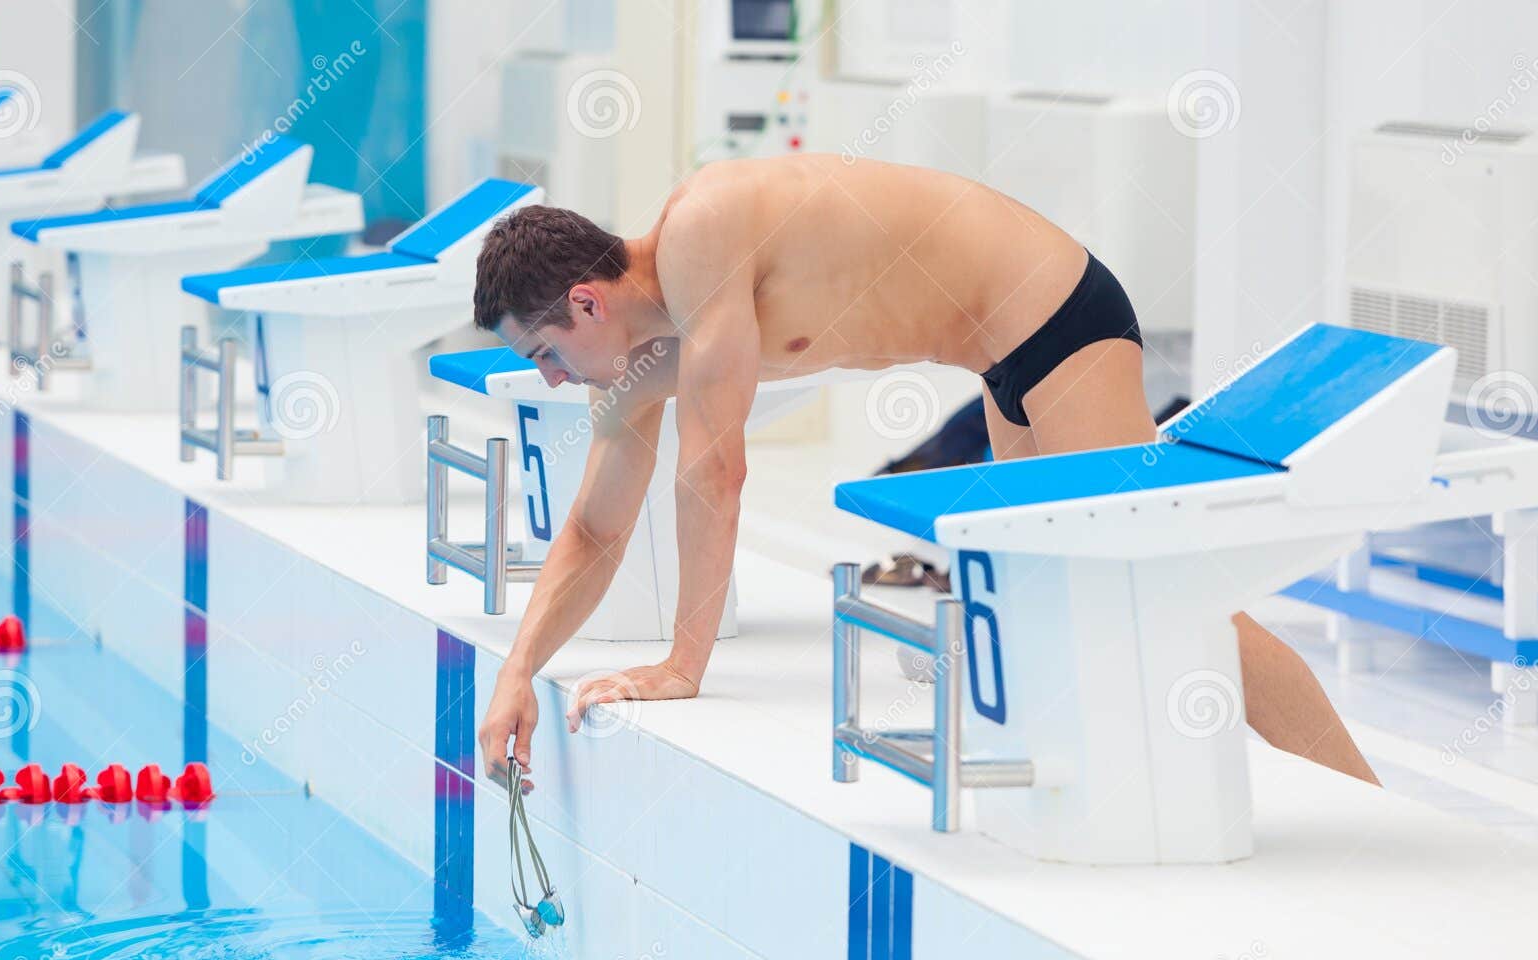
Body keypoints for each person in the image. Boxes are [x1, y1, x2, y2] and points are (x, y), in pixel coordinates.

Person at [472, 154, 1377, 785]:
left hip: (1057, 316)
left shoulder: (700, 235)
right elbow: (595, 527)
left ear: (585, 302)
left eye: (544, 352)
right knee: (1063, 595)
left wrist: (682, 663)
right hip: (1000, 354)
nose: (548, 377)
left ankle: (1360, 795)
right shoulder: (644, 358)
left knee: (1172, 593)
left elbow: (714, 471)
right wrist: (517, 674)